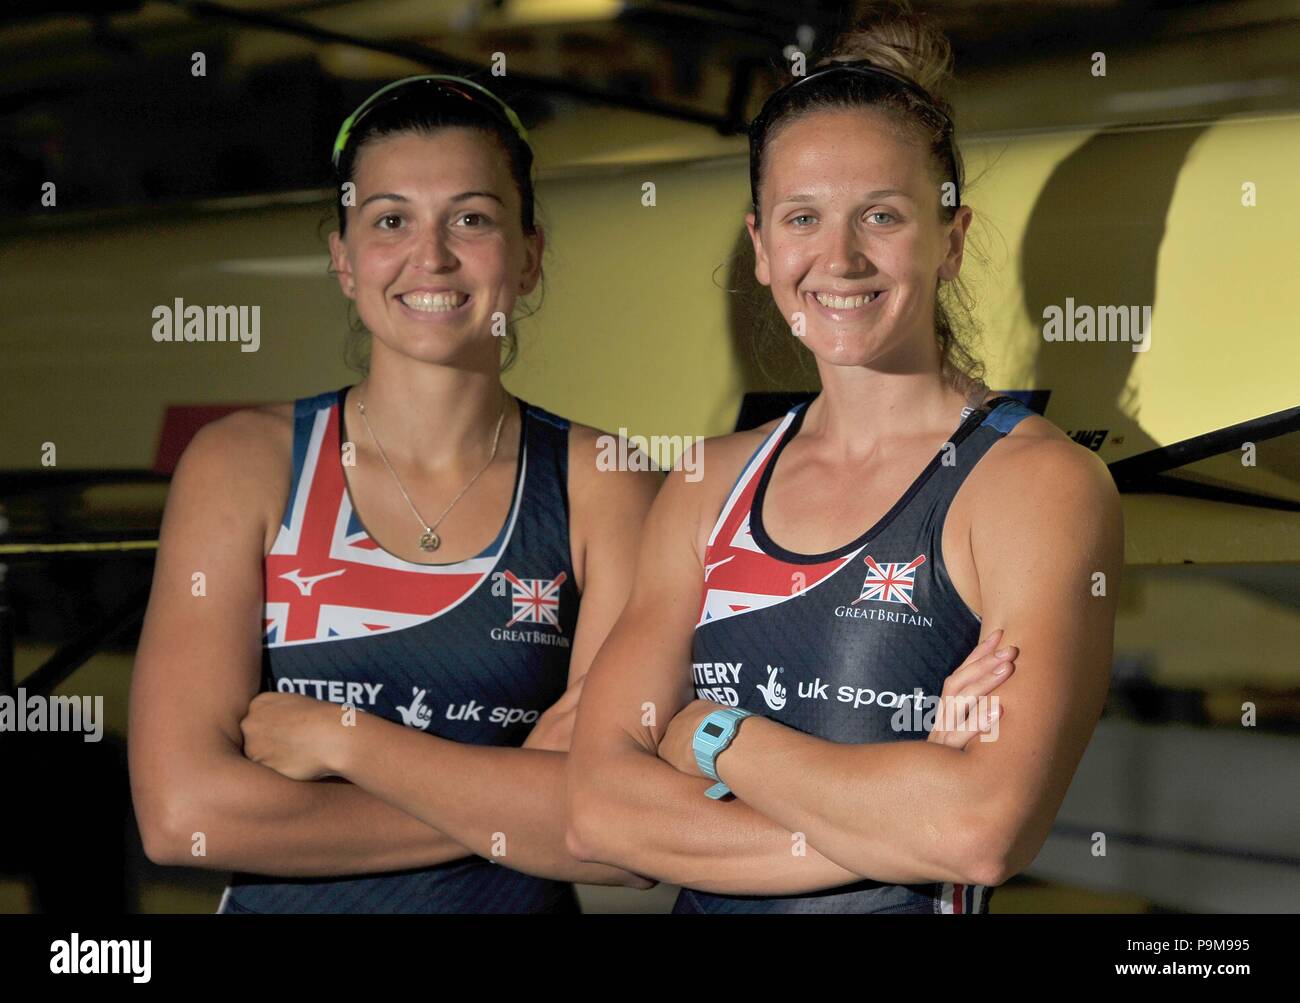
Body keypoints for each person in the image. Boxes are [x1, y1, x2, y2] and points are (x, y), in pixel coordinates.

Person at [565, 6, 1123, 913]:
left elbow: (980, 831)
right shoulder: (710, 482)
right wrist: (894, 815)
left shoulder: (1032, 485)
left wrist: (711, 735)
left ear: (951, 238)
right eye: (803, 218)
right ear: (760, 246)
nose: (840, 257)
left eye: (882, 216)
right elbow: (595, 812)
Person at [128, 75, 659, 913]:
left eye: (473, 218)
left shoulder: (605, 481)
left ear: (529, 256)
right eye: (390, 220)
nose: (432, 255)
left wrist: (345, 739)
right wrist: (522, 791)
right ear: (343, 260)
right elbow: (183, 815)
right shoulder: (243, 466)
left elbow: (624, 836)